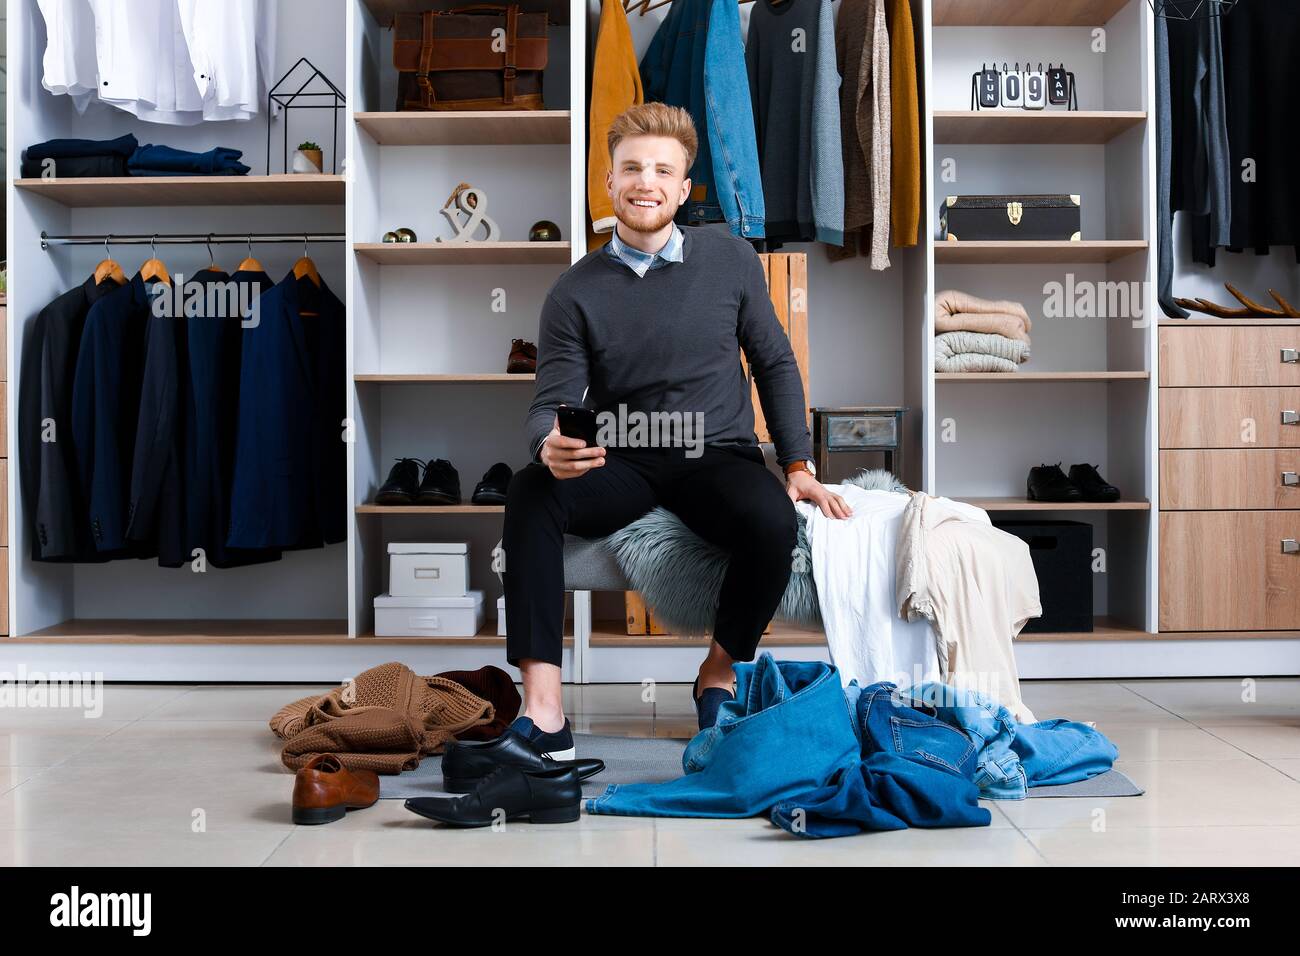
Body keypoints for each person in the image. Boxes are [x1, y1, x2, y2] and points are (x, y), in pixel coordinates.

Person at [501, 102, 851, 760]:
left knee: (774, 520)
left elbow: (774, 362)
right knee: (529, 491)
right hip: (622, 457)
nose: (646, 181)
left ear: (683, 189)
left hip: (716, 454)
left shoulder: (730, 260)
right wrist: (547, 443)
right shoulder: (574, 291)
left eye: (663, 170)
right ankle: (544, 714)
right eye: (631, 167)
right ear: (607, 183)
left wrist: (798, 466)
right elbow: (549, 402)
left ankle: (718, 672)